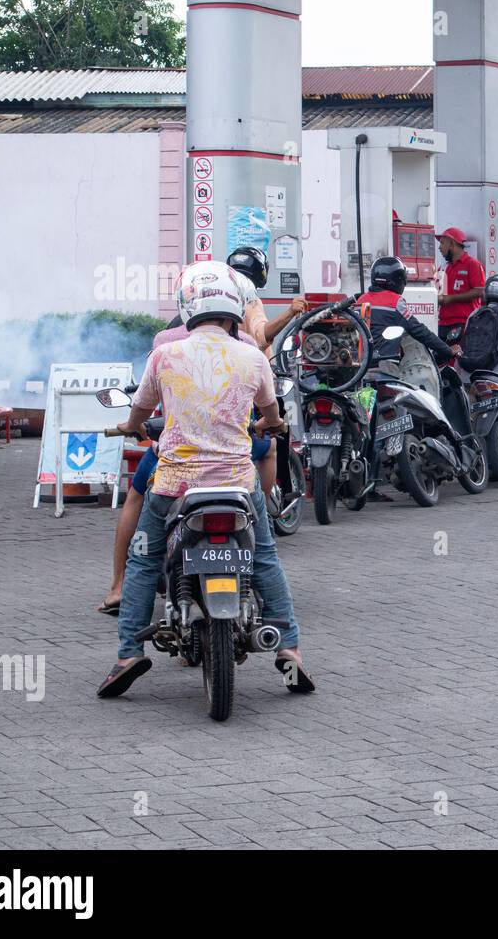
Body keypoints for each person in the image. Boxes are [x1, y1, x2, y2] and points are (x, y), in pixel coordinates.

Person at [97, 260, 314, 699]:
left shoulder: (165, 355)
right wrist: (266, 424)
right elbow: (271, 414)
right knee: (266, 557)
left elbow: (139, 413)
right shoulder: (253, 356)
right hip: (238, 482)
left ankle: (127, 654)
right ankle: (289, 650)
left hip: (176, 481)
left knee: (142, 559)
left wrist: (130, 426)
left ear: (187, 305)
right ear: (234, 305)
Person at [435, 226, 485, 343]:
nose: (439, 247)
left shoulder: (472, 264)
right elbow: (437, 292)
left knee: (458, 359)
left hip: (464, 322)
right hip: (442, 322)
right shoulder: (443, 267)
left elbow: (479, 291)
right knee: (442, 359)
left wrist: (450, 298)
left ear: (452, 244)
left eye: (442, 243)